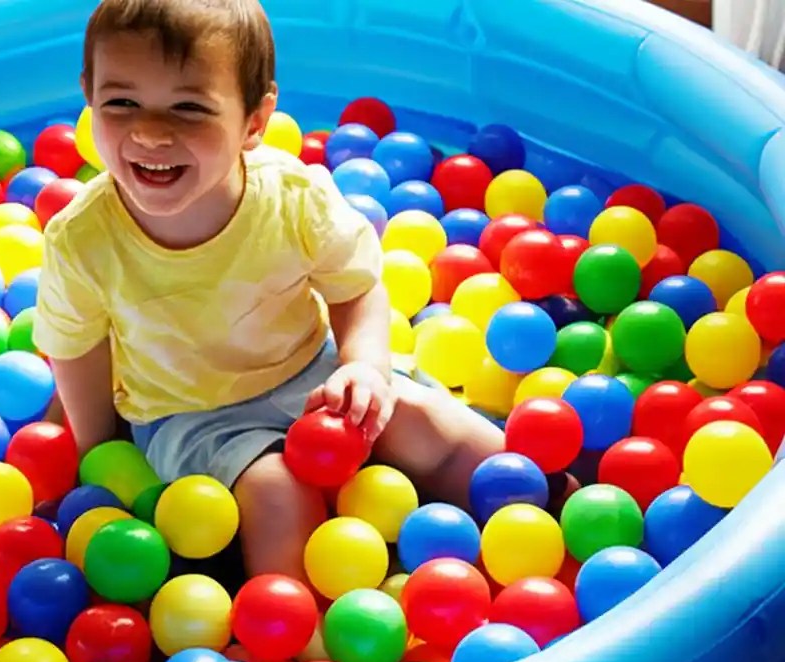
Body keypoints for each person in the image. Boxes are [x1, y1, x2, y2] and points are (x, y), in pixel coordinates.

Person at [32, 0, 507, 585]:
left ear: (254, 122)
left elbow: (356, 288)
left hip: (313, 370)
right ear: (89, 95)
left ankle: (544, 503)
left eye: (189, 108)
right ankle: (299, 640)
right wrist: (97, 453)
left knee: (425, 422)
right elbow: (76, 348)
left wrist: (364, 369)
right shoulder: (83, 239)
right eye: (121, 102)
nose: (151, 132)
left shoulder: (291, 197)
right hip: (191, 412)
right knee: (277, 492)